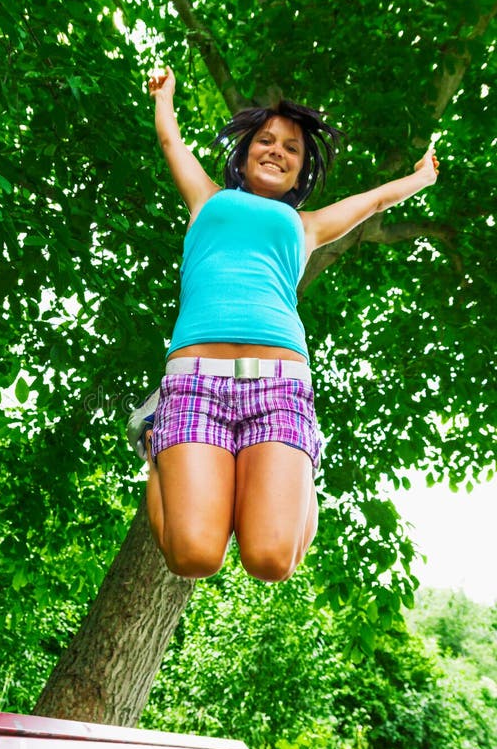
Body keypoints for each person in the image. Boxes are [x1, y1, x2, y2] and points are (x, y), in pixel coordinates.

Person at [127, 66, 439, 583]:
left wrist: (422, 177)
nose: (276, 150)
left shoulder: (306, 225)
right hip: (194, 385)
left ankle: (302, 459)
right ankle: (156, 438)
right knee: (193, 558)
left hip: (280, 388)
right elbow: (169, 141)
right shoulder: (208, 199)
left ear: (301, 174)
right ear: (244, 155)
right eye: (265, 141)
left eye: (291, 148)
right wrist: (166, 96)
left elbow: (377, 201)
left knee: (273, 562)